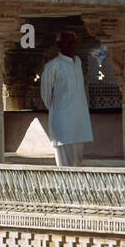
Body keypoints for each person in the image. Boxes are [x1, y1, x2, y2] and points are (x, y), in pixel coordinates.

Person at [39, 30, 93, 167]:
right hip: (62, 121)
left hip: (79, 120)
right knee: (64, 162)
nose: (71, 45)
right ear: (59, 44)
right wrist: (59, 110)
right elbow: (46, 94)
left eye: (73, 42)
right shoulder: (53, 66)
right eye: (67, 42)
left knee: (77, 160)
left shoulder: (77, 62)